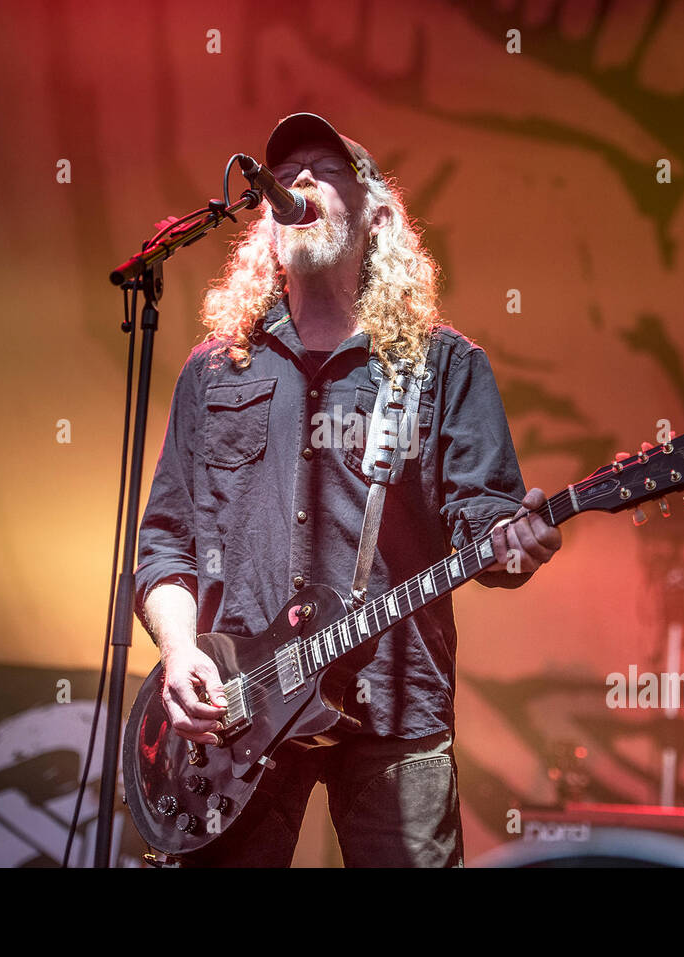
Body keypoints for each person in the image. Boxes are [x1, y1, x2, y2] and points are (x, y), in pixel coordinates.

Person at [132, 113, 562, 866]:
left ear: (376, 215)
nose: (295, 180)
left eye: (323, 168)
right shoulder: (214, 371)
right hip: (237, 715)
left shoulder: (445, 368)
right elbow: (163, 543)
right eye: (284, 171)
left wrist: (515, 547)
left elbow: (487, 532)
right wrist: (177, 652)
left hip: (394, 713)